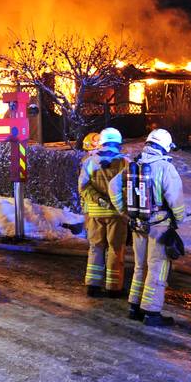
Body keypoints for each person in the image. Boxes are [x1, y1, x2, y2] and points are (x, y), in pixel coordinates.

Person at [114, 128, 186, 327]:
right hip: (159, 227)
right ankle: (152, 312)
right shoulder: (165, 168)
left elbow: (113, 186)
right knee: (157, 269)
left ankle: (134, 307)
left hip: (137, 224)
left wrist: (125, 211)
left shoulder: (134, 165)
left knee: (139, 267)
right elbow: (175, 199)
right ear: (164, 146)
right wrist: (179, 220)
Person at [78, 127, 129, 298]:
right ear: (118, 143)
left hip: (94, 213)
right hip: (117, 214)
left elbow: (83, 188)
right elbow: (129, 188)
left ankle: (93, 285)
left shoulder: (89, 161)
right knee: (115, 249)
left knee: (96, 247)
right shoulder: (125, 163)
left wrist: (99, 200)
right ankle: (114, 287)